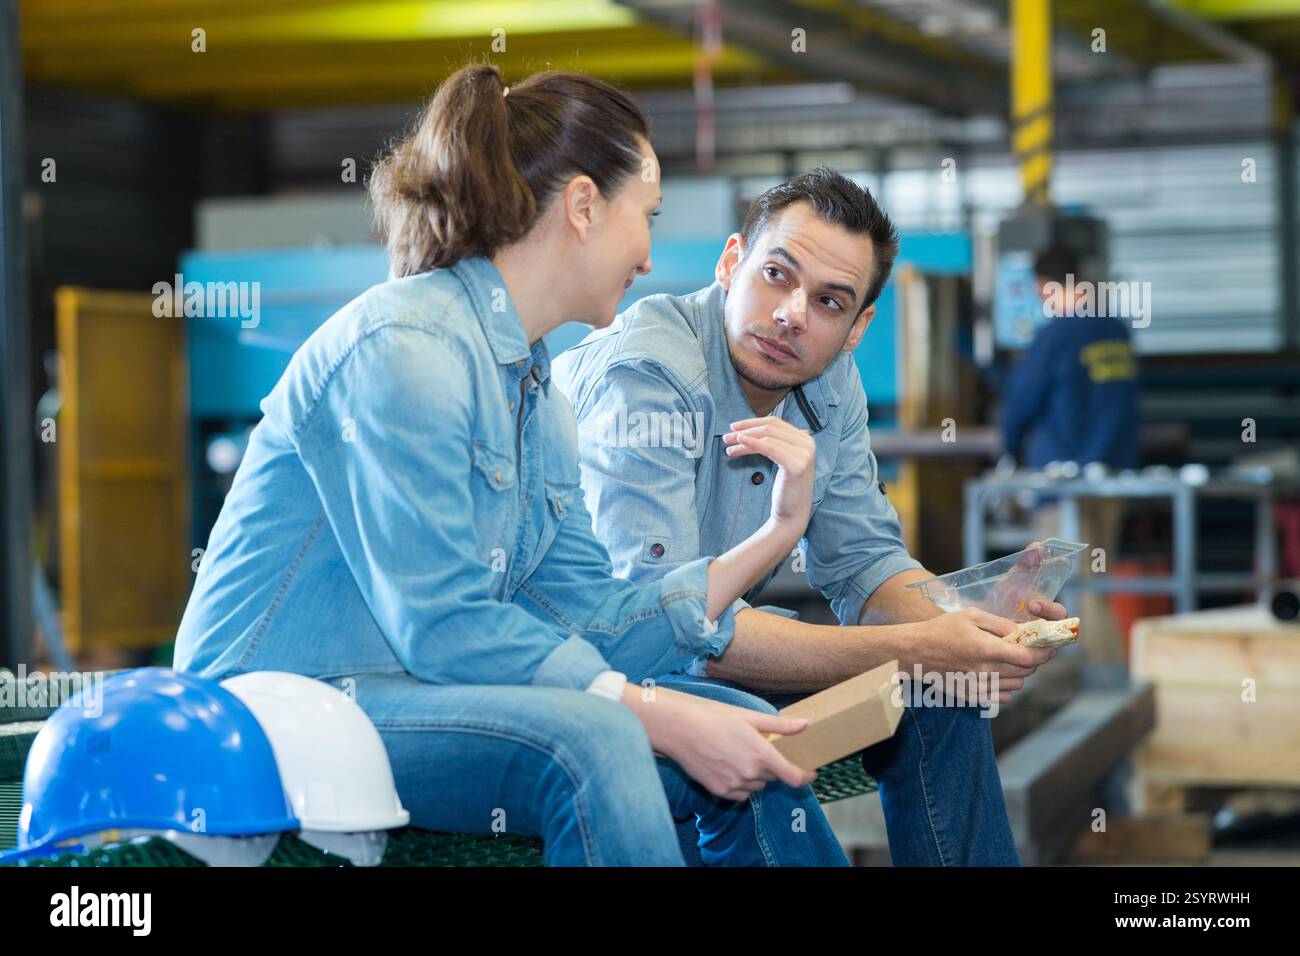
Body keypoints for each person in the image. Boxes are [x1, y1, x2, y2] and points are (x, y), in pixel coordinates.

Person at [173, 65, 849, 866]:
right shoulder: (405, 350)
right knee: (602, 735)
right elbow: (445, 622)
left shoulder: (537, 394)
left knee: (739, 724)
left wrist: (778, 533)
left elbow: (589, 620)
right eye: (650, 215)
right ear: (585, 206)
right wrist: (650, 714)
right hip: (267, 714)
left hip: (403, 696)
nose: (649, 253)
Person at [553, 167, 1069, 865]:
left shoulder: (826, 378)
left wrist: (970, 625)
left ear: (858, 328)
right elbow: (665, 632)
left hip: (691, 651)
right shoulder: (648, 376)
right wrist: (918, 648)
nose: (794, 313)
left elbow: (865, 564)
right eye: (775, 274)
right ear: (731, 262)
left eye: (829, 302)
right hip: (593, 664)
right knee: (756, 731)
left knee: (946, 697)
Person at [1002, 246, 1142, 668]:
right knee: (1095, 581)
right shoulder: (1117, 330)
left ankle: (1102, 685)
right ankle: (1097, 682)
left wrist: (1008, 452)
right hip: (1111, 480)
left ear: (1045, 287)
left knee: (1057, 592)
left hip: (1061, 487)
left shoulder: (1057, 335)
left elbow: (1019, 404)